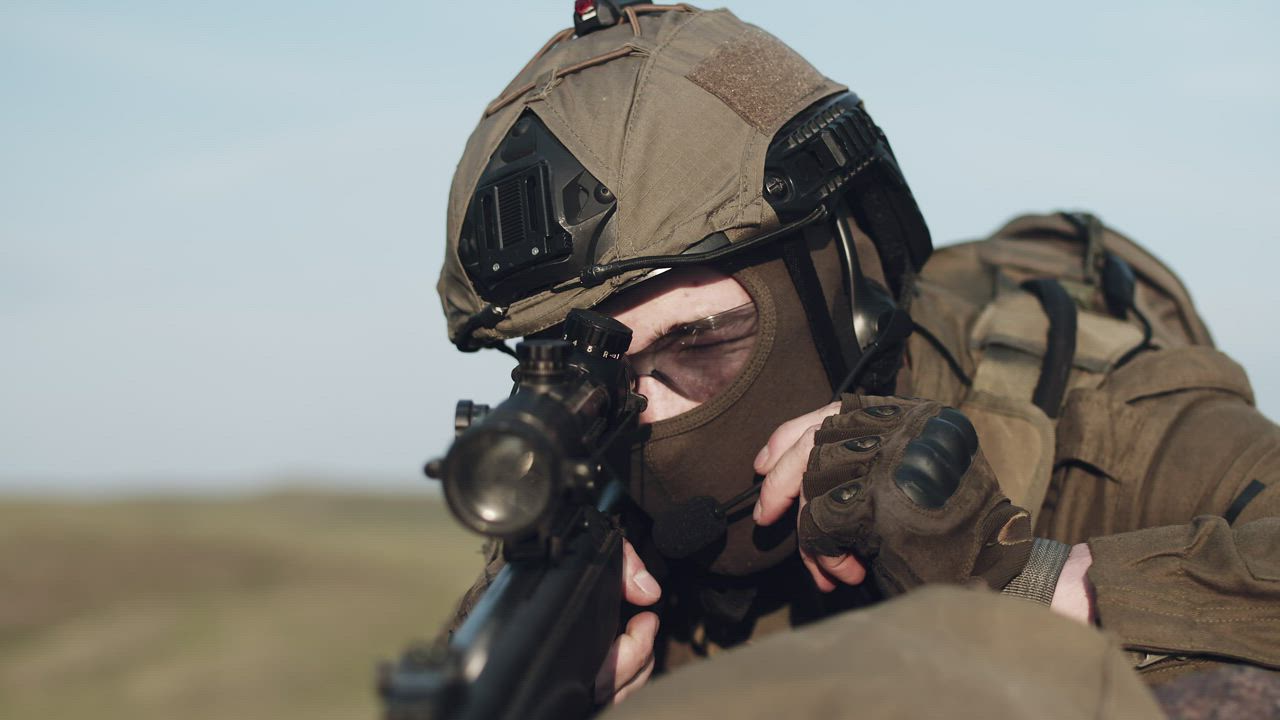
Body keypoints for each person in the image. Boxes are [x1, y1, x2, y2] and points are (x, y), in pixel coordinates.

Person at [434, 0, 1280, 710]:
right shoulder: (599, 568)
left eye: (696, 342)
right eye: (600, 383)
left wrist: (1024, 583)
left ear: (852, 298)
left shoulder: (1106, 429)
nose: (649, 417)